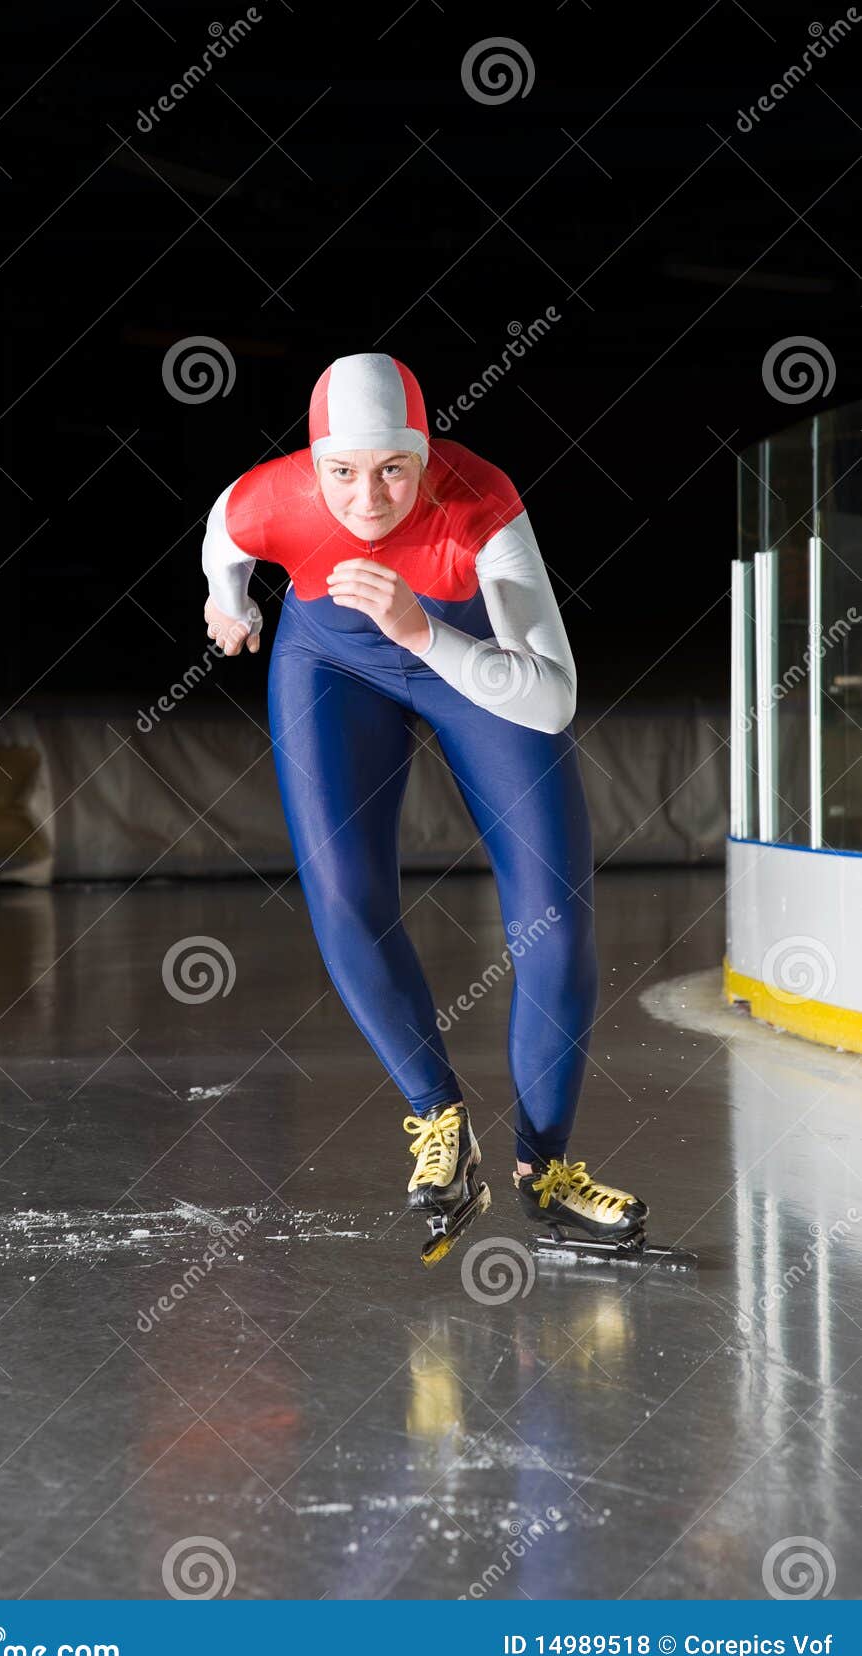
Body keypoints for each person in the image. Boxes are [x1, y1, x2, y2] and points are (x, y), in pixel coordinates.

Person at [201, 351, 647, 1262]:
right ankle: (438, 1122)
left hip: (469, 659)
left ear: (425, 453)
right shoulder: (271, 496)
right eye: (343, 474)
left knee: (555, 927)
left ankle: (547, 1171)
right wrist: (227, 600)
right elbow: (223, 535)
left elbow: (553, 698)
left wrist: (421, 631)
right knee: (345, 899)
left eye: (393, 470)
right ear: (314, 462)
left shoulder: (482, 506)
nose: (367, 500)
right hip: (332, 665)